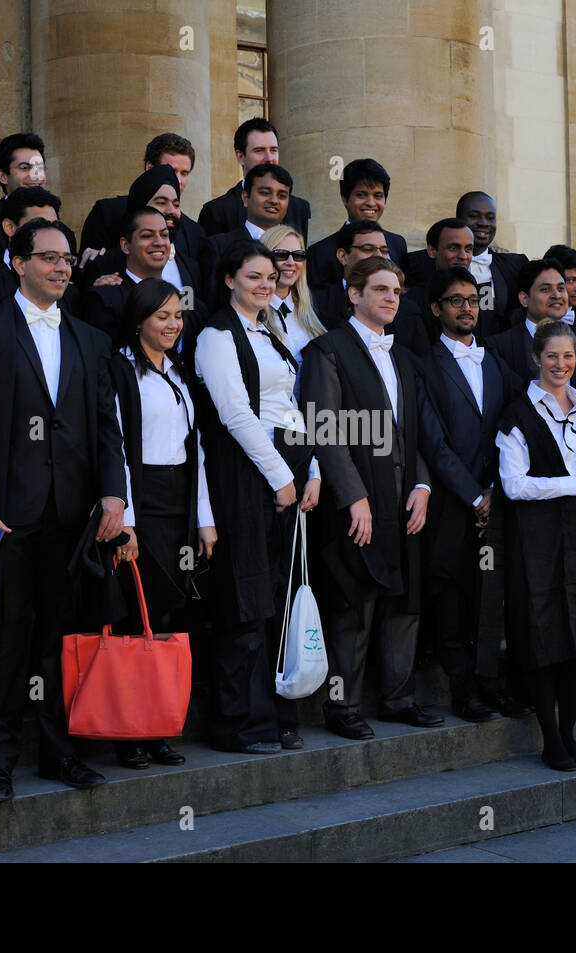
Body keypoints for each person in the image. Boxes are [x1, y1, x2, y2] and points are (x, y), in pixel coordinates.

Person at [0, 218, 125, 802]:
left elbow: (107, 429)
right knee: (3, 642)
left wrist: (114, 494)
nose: (61, 267)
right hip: (2, 518)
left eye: (67, 258)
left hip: (71, 522)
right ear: (18, 263)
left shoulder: (90, 340)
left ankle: (58, 753)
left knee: (60, 641)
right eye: (47, 257)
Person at [299, 256, 439, 741]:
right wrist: (353, 496)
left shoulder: (403, 355)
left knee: (404, 603)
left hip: (403, 499)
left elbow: (412, 431)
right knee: (352, 605)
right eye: (379, 289)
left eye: (396, 291)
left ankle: (398, 699)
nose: (390, 298)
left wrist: (422, 485)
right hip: (355, 501)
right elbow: (324, 429)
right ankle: (342, 707)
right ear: (352, 294)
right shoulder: (327, 351)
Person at [193, 240, 320, 754]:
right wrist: (279, 476)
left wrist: (310, 469)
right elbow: (235, 413)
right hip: (247, 473)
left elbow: (292, 406)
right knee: (245, 602)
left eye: (271, 276)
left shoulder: (271, 332)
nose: (266, 284)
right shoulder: (214, 336)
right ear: (228, 280)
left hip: (288, 466)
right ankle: (238, 725)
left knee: (279, 598)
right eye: (254, 276)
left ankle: (278, 716)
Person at [109, 278, 218, 769]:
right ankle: (127, 734)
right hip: (141, 504)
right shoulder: (118, 370)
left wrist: (205, 520)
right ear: (138, 321)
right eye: (162, 316)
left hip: (179, 503)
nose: (173, 324)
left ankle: (157, 729)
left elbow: (194, 450)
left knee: (168, 619)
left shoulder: (179, 372)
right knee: (137, 621)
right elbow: (117, 450)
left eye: (178, 315)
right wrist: (125, 522)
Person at [496, 320, 576, 770]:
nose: (560, 364)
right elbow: (513, 485)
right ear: (535, 359)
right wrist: (575, 483)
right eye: (552, 357)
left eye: (567, 356)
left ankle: (569, 734)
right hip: (537, 543)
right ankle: (550, 740)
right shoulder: (516, 414)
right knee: (544, 641)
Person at [416, 267, 523, 723]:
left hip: (497, 504)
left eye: (472, 300)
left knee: (491, 599)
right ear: (437, 308)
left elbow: (512, 432)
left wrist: (494, 493)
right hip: (449, 506)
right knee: (452, 601)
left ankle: (492, 685)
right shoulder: (421, 364)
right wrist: (473, 497)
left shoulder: (499, 364)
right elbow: (431, 442)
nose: (466, 307)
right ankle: (463, 692)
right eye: (455, 300)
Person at [0, 186, 83, 322]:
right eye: (38, 224)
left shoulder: (69, 295)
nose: (49, 233)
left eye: (54, 225)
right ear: (10, 227)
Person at [83, 203, 205, 352]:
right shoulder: (105, 301)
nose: (159, 242)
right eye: (147, 236)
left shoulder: (189, 303)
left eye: (164, 235)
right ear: (125, 245)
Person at [80, 132, 206, 265]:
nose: (179, 180)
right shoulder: (107, 214)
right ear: (150, 168)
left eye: (184, 173)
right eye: (172, 171)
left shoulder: (194, 232)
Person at [310, 220, 429, 357]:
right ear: (343, 256)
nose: (379, 256)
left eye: (384, 251)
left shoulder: (408, 311)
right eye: (368, 249)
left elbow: (422, 368)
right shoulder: (315, 305)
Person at [79, 165, 201, 295]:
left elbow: (191, 310)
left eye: (176, 205)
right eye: (161, 203)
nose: (172, 211)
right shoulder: (105, 265)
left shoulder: (190, 267)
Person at [488, 258, 576, 392]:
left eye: (561, 288)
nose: (557, 295)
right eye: (545, 289)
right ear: (524, 299)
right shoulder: (496, 350)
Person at [405, 192, 527, 319]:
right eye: (474, 216)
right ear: (458, 219)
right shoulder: (416, 262)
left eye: (490, 218)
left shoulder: (515, 264)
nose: (484, 223)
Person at [198, 118, 311, 240]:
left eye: (273, 150)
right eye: (259, 150)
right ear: (240, 156)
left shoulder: (299, 207)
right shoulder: (216, 211)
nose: (269, 158)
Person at [0, 132, 77, 255]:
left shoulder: (64, 232)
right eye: (25, 168)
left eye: (40, 168)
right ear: (3, 176)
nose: (36, 176)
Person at [199, 162, 293, 304]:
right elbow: (211, 303)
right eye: (265, 193)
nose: (274, 200)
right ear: (245, 198)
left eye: (282, 195)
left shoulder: (297, 249)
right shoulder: (218, 247)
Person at [306, 159, 408, 290]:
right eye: (362, 195)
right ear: (345, 199)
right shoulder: (320, 252)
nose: (371, 203)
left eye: (378, 196)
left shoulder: (397, 243)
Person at [407, 219, 505, 340]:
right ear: (432, 251)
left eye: (468, 249)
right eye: (453, 248)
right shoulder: (411, 301)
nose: (463, 256)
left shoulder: (486, 297)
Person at [259, 224, 326, 365]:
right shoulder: (251, 313)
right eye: (281, 254)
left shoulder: (314, 309)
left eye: (298, 255)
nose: (291, 262)